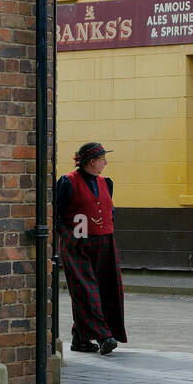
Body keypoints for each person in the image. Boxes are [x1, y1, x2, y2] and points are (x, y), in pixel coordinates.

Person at [54, 143, 127, 355]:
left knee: (105, 289)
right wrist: (69, 236)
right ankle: (103, 336)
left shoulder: (105, 182)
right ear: (91, 161)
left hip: (104, 242)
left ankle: (80, 339)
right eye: (102, 159)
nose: (106, 163)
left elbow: (108, 208)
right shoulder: (68, 182)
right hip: (77, 244)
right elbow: (56, 214)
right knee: (86, 291)